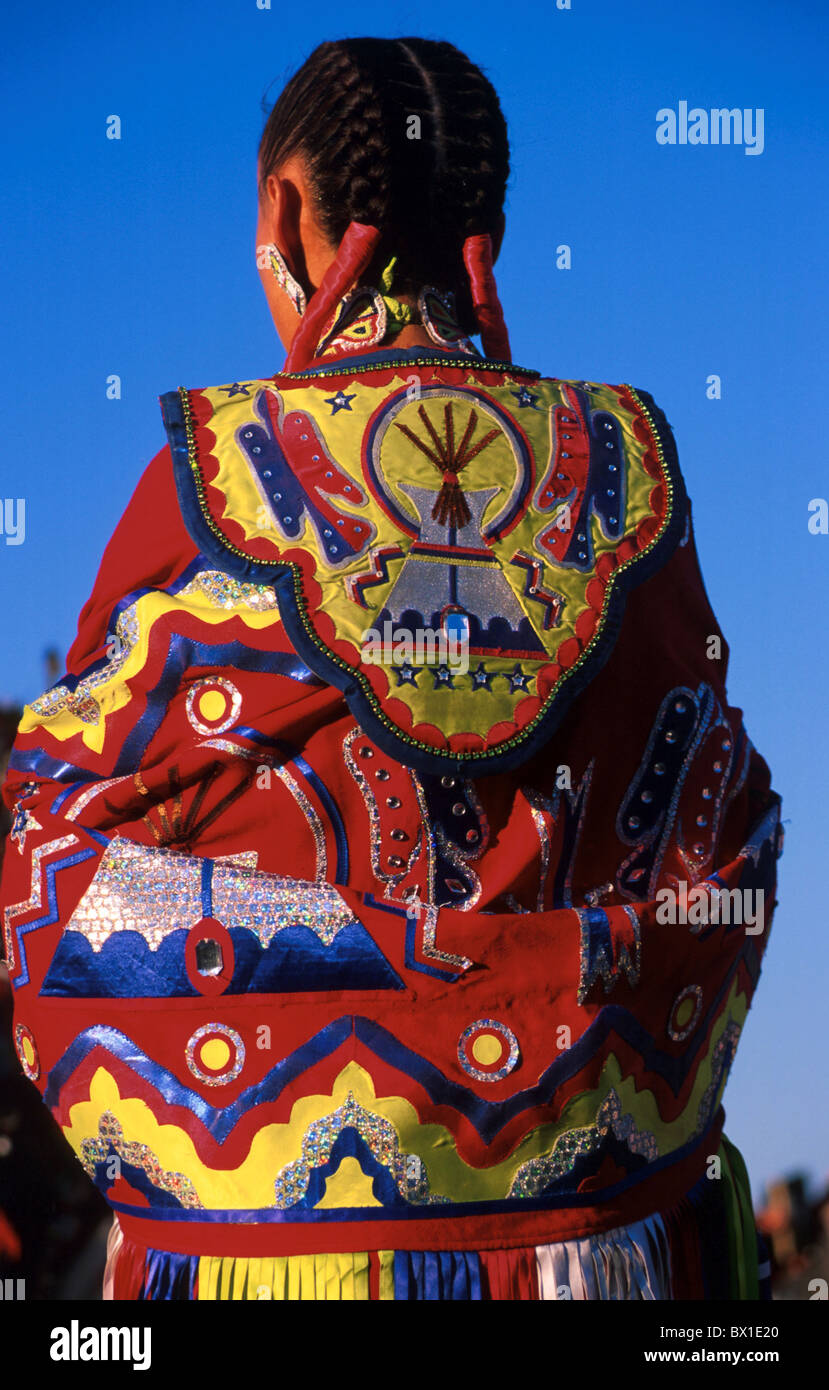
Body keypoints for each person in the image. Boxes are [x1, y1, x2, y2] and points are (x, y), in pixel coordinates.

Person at [0, 36, 782, 1301]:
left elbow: (60, 840)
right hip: (600, 1255)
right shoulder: (630, 476)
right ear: (491, 227)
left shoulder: (212, 475)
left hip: (277, 1263)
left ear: (286, 216)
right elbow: (720, 811)